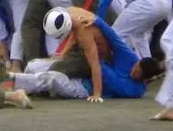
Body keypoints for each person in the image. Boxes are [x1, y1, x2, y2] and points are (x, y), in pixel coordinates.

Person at [12, 7, 162, 101]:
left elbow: (106, 76)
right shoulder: (131, 58)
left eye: (136, 73)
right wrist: (97, 20)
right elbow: (114, 38)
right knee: (33, 65)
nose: (133, 70)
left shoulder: (135, 90)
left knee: (52, 77)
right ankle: (25, 87)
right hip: (89, 71)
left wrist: (96, 94)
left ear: (144, 79)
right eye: (135, 66)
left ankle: (12, 80)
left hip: (85, 87)